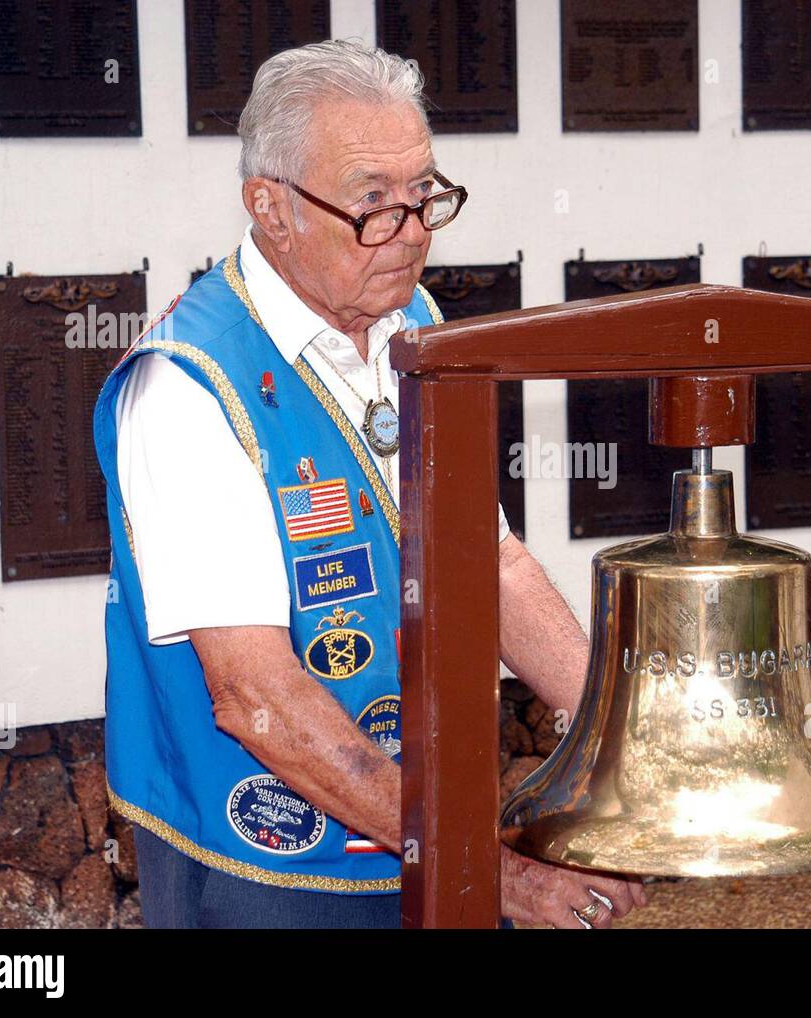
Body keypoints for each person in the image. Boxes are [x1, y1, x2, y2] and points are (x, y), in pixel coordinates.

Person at [91, 39, 646, 929]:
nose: (415, 230)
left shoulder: (410, 321)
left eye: (424, 192)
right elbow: (255, 697)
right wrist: (498, 878)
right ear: (269, 208)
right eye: (374, 203)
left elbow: (487, 564)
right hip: (267, 868)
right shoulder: (189, 386)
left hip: (429, 830)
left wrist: (628, 736)